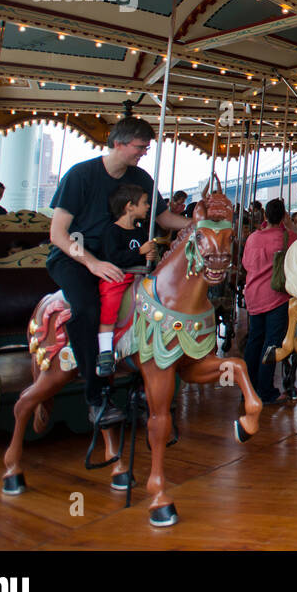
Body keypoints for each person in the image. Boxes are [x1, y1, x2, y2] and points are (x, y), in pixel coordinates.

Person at [47, 117, 192, 427]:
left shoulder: (140, 177)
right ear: (118, 143)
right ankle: (97, 396)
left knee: (158, 305)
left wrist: (198, 225)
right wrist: (93, 263)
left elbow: (164, 218)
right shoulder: (81, 175)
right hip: (76, 257)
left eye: (146, 148)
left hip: (123, 256)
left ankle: (144, 381)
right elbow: (58, 234)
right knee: (88, 307)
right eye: (139, 147)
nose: (143, 153)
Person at [96, 185, 157, 376]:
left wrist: (151, 256)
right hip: (119, 276)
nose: (148, 206)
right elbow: (114, 257)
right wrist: (140, 251)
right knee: (110, 303)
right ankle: (105, 350)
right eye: (145, 203)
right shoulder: (112, 231)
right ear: (130, 206)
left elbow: (144, 258)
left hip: (141, 276)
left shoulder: (141, 232)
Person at [242, 198, 293, 405]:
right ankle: (266, 391)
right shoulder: (287, 237)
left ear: (264, 215)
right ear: (283, 215)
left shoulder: (253, 238)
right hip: (275, 297)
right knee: (271, 344)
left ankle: (248, 387)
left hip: (253, 295)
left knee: (254, 341)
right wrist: (288, 225)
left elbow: (246, 263)